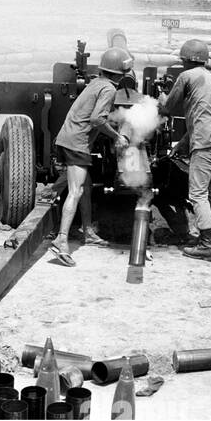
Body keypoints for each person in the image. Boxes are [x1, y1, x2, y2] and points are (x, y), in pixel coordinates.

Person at [50, 47, 134, 266]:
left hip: (69, 138)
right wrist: (118, 136)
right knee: (76, 191)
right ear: (121, 73)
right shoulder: (108, 89)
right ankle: (61, 241)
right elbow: (97, 119)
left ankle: (88, 231)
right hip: (77, 143)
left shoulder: (95, 83)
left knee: (85, 188)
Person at [159, 38, 211, 263]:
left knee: (197, 193)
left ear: (186, 60)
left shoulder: (186, 76)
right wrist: (181, 145)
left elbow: (168, 108)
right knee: (208, 189)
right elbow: (203, 116)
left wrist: (161, 98)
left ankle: (207, 244)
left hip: (206, 142)